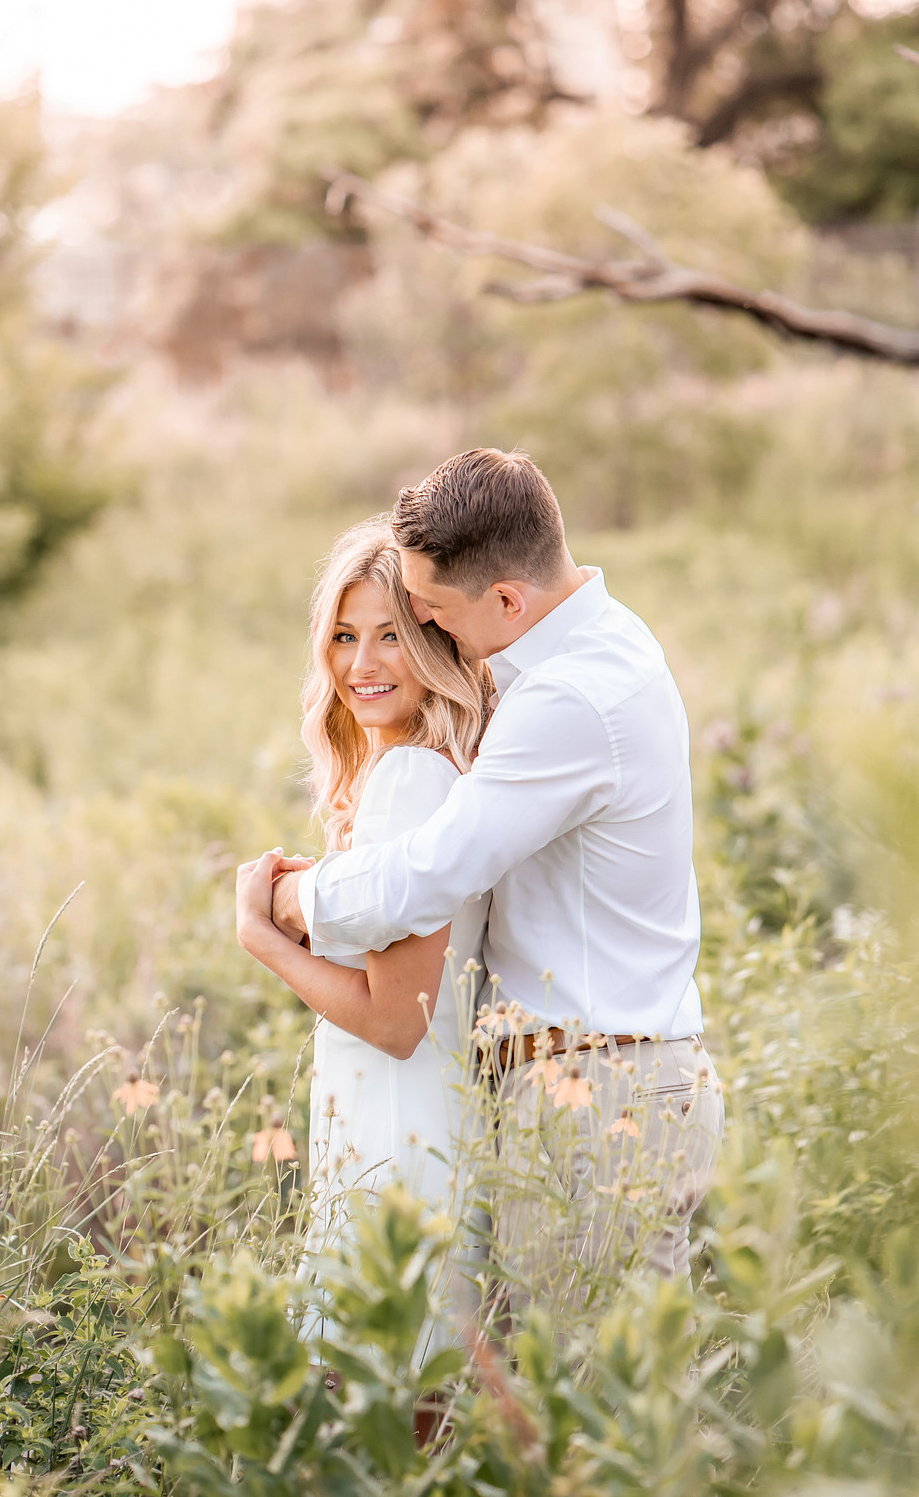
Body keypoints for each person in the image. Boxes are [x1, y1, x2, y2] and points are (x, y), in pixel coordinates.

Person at [267, 448, 725, 1323]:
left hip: (602, 1091)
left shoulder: (567, 700)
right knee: (568, 1412)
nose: (440, 639)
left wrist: (289, 906)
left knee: (586, 1425)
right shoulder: (611, 640)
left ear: (506, 600)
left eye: (430, 617)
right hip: (602, 1081)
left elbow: (434, 870)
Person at [235, 517, 492, 1357]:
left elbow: (396, 1020)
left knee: (384, 1431)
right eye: (344, 637)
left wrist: (265, 939)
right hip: (404, 1140)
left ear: (433, 649)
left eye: (390, 636)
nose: (361, 665)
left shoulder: (412, 777)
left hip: (400, 1149)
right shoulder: (414, 777)